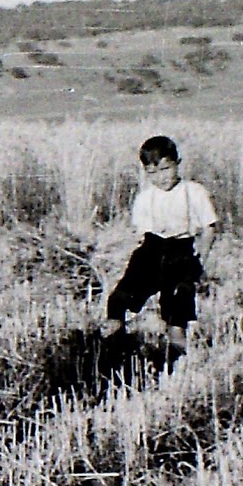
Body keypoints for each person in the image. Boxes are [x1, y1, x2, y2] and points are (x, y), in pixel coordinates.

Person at [102, 135, 217, 358]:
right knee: (118, 300)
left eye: (166, 169)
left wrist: (199, 260)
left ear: (177, 163)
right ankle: (114, 352)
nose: (161, 177)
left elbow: (209, 228)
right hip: (151, 250)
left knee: (176, 313)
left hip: (181, 252)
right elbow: (140, 233)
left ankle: (178, 358)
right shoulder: (146, 198)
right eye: (152, 172)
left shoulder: (194, 192)